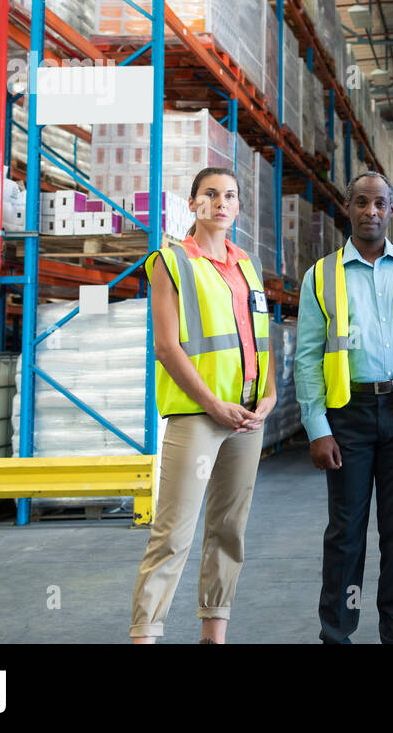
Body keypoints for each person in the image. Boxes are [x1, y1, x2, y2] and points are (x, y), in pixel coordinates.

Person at [294, 171, 393, 644]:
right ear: (349, 208)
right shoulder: (321, 276)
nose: (371, 212)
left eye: (380, 203)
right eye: (361, 202)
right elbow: (307, 359)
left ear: (392, 210)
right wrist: (316, 425)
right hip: (348, 417)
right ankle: (337, 633)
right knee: (345, 531)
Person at [130, 166, 275, 643]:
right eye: (210, 194)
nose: (220, 202)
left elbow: (261, 341)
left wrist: (270, 395)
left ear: (237, 206)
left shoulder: (248, 266)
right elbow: (167, 347)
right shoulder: (170, 263)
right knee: (173, 532)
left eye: (229, 196)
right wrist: (214, 405)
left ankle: (215, 633)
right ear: (192, 204)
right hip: (199, 416)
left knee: (229, 529)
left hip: (246, 417)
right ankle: (146, 634)